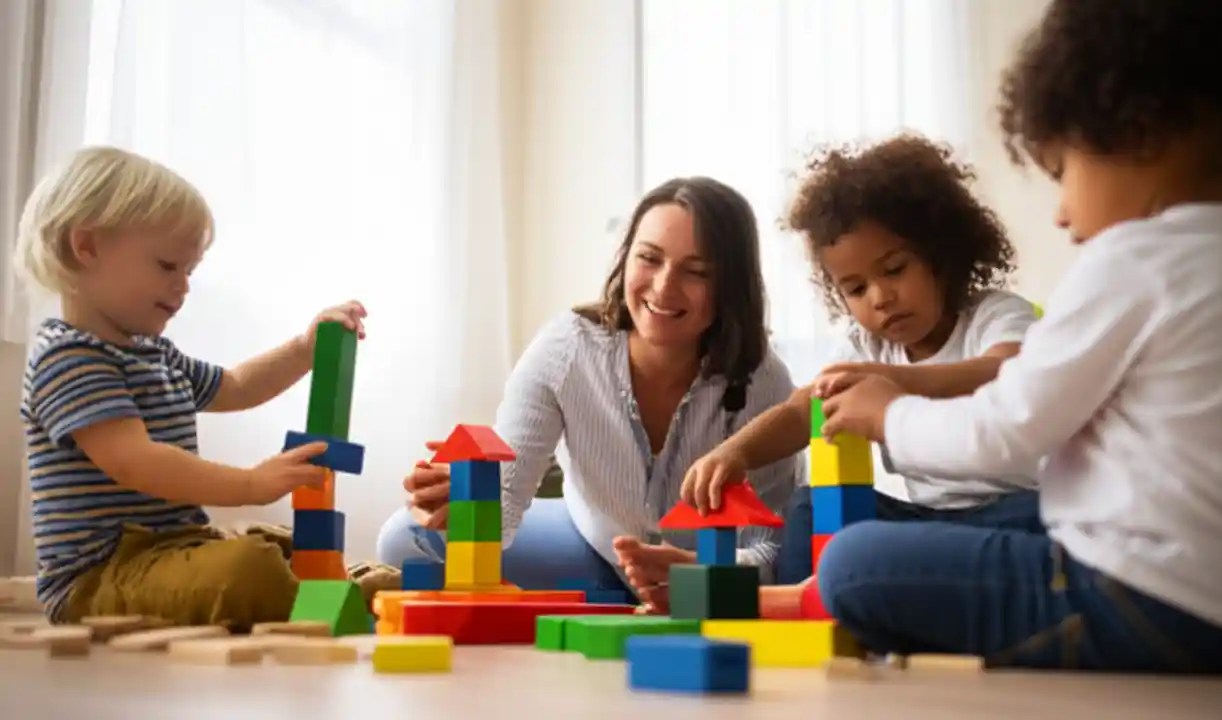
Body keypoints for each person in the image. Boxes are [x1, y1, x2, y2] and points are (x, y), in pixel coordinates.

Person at [813, 0, 1222, 673]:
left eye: (1063, 172)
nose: (1061, 212)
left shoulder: (1134, 259)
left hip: (1142, 604)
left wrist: (891, 414)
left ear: (1143, 132)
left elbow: (1006, 428)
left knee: (854, 565)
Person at [377, 177, 797, 597]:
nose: (664, 286)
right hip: (588, 545)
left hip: (699, 567)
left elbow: (770, 551)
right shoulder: (567, 349)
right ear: (625, 258)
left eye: (696, 271)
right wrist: (464, 504)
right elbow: (502, 502)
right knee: (405, 538)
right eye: (649, 258)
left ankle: (613, 599)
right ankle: (605, 595)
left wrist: (701, 574)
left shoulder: (763, 380)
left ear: (730, 286)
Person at [16, 145, 368, 629]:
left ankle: (342, 586)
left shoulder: (154, 354)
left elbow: (237, 386)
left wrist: (302, 349)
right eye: (167, 266)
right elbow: (133, 460)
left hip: (177, 547)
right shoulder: (68, 356)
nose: (183, 286)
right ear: (88, 248)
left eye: (189, 271)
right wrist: (249, 483)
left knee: (287, 543)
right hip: (101, 574)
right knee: (249, 571)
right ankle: (335, 597)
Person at [671, 134, 1042, 590]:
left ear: (942, 256)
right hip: (929, 521)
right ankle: (800, 616)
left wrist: (886, 381)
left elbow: (1007, 371)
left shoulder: (994, 315)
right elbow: (801, 410)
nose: (881, 298)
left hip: (1015, 510)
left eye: (894, 270)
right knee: (809, 509)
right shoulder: (866, 346)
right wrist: (736, 452)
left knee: (1051, 517)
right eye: (856, 288)